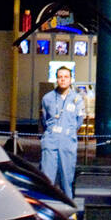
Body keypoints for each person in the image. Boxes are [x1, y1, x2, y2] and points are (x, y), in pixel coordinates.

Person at [40, 66, 84, 200]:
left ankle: (68, 212)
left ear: (71, 79)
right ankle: (46, 209)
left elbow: (79, 121)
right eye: (60, 77)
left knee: (67, 178)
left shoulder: (77, 99)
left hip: (67, 142)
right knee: (47, 179)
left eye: (66, 77)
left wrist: (68, 132)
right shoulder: (47, 98)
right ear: (56, 79)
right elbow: (44, 119)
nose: (63, 79)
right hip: (50, 140)